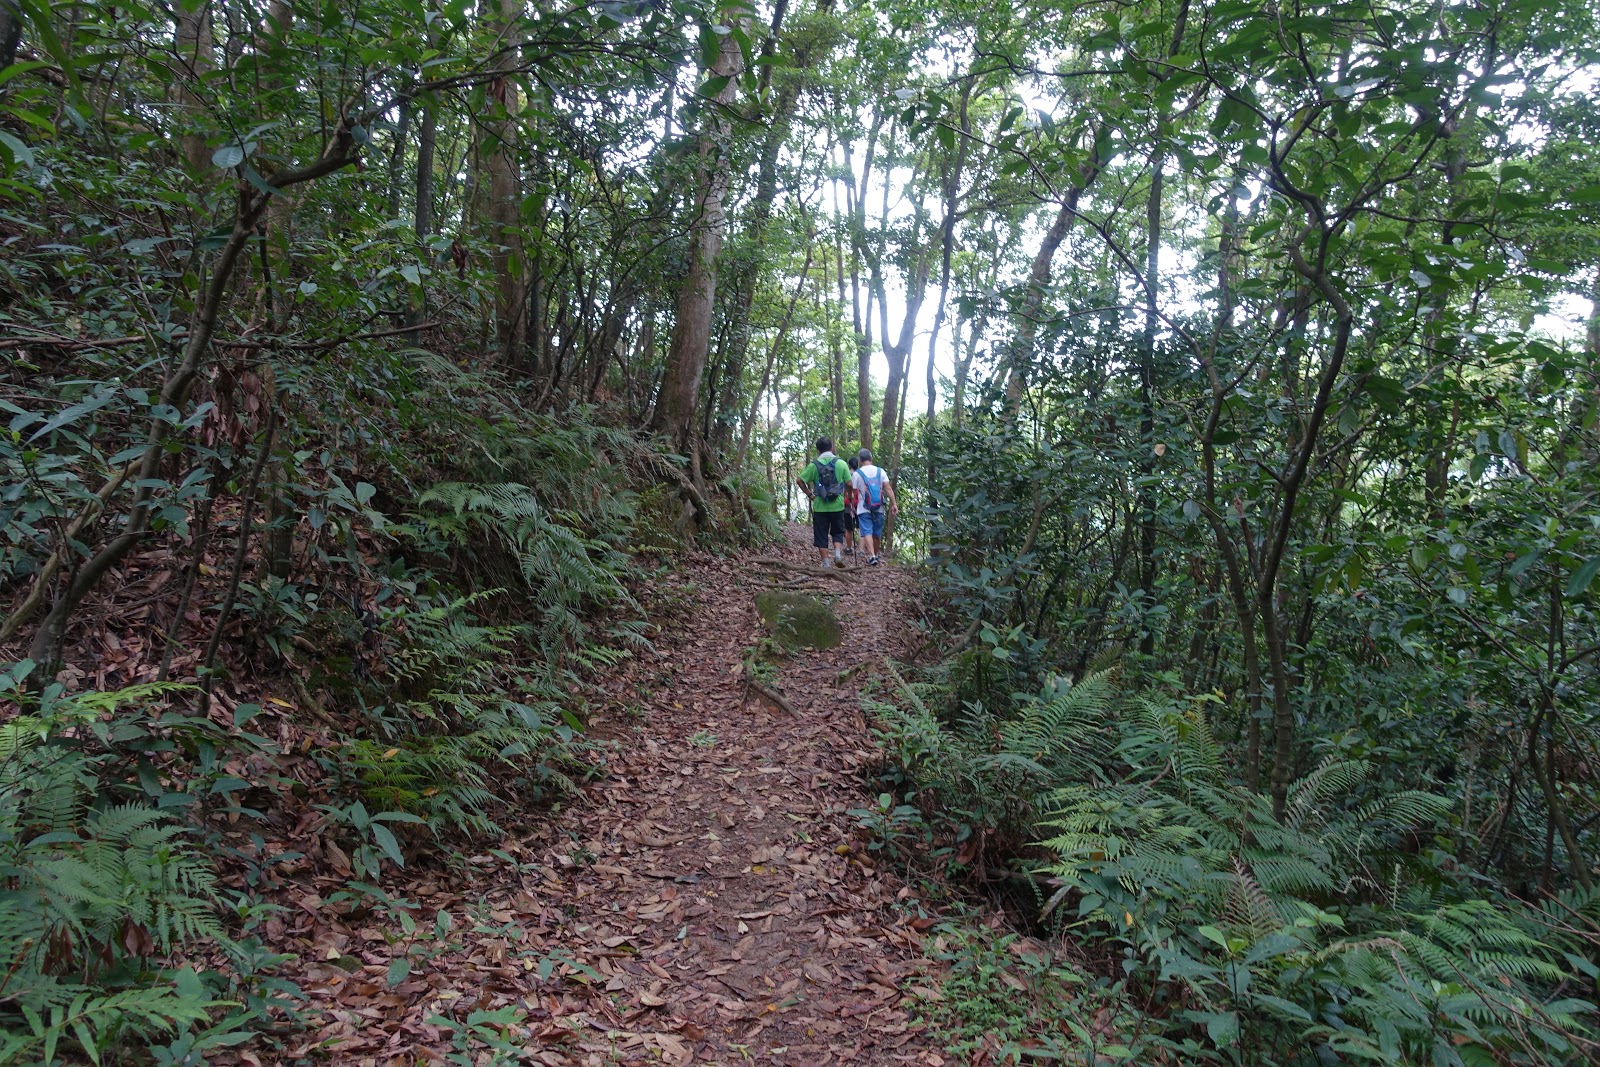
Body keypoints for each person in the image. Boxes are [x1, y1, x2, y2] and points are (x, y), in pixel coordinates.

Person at [797, 437, 852, 567]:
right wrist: (849, 495)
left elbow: (799, 480)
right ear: (831, 447)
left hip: (820, 506)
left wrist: (810, 495)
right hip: (838, 505)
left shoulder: (813, 465)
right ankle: (837, 554)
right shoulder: (841, 463)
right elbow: (849, 483)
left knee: (821, 535)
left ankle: (826, 563)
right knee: (838, 531)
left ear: (818, 450)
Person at [852, 447, 897, 565]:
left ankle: (872, 556)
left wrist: (852, 506)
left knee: (867, 531)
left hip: (863, 507)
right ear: (871, 458)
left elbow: (854, 493)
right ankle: (876, 555)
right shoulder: (880, 471)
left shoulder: (857, 474)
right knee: (876, 533)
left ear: (860, 460)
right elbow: (887, 488)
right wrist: (894, 503)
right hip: (879, 506)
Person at [842, 456, 861, 557]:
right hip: (860, 504)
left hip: (848, 503)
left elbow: (844, 490)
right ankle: (861, 550)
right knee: (861, 527)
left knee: (848, 528)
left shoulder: (847, 474)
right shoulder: (861, 474)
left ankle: (849, 548)